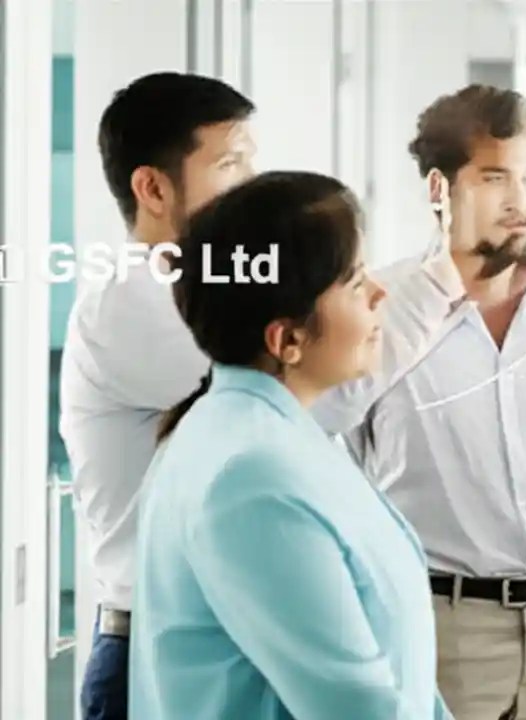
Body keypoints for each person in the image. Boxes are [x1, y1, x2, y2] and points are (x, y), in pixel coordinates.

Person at [312, 84, 526, 720]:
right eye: (495, 178)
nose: (520, 200)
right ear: (440, 189)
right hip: (440, 626)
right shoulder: (377, 303)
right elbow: (325, 426)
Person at [129, 170, 454, 720]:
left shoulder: (269, 434)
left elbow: (397, 682)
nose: (381, 293)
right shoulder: (253, 477)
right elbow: (356, 706)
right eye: (354, 282)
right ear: (288, 339)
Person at [59, 71, 256, 720]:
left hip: (207, 646)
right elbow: (296, 400)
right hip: (153, 656)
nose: (251, 186)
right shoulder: (132, 300)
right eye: (229, 164)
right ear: (152, 187)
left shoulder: (207, 291)